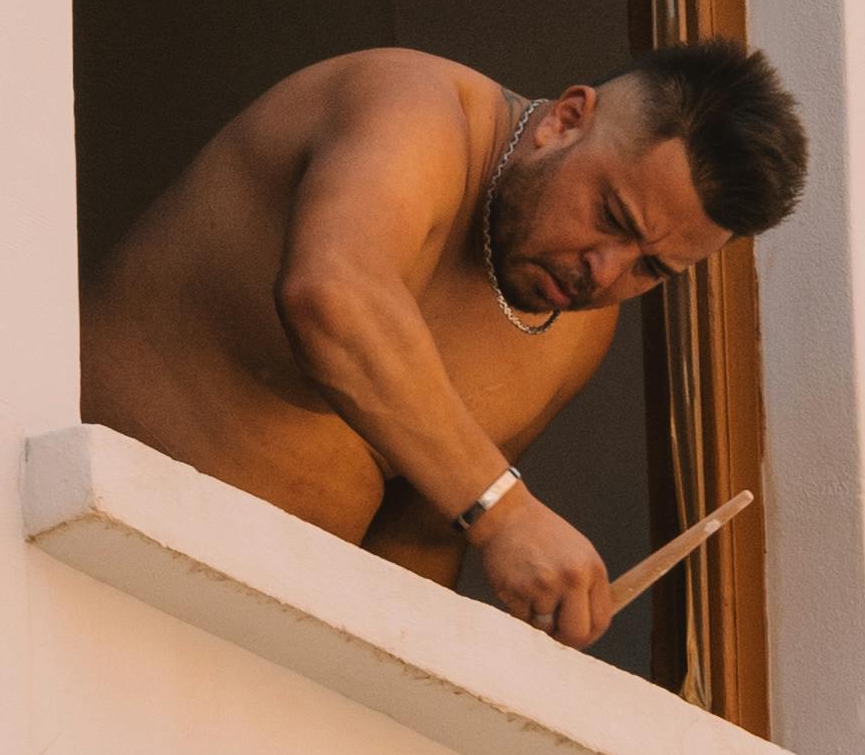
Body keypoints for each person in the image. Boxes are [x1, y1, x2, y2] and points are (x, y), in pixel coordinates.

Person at [80, 41, 810, 648]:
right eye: (611, 216)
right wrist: (509, 514)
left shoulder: (574, 328)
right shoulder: (416, 106)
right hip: (72, 548)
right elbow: (334, 296)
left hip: (255, 655)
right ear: (567, 119)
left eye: (651, 268)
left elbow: (425, 537)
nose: (605, 271)